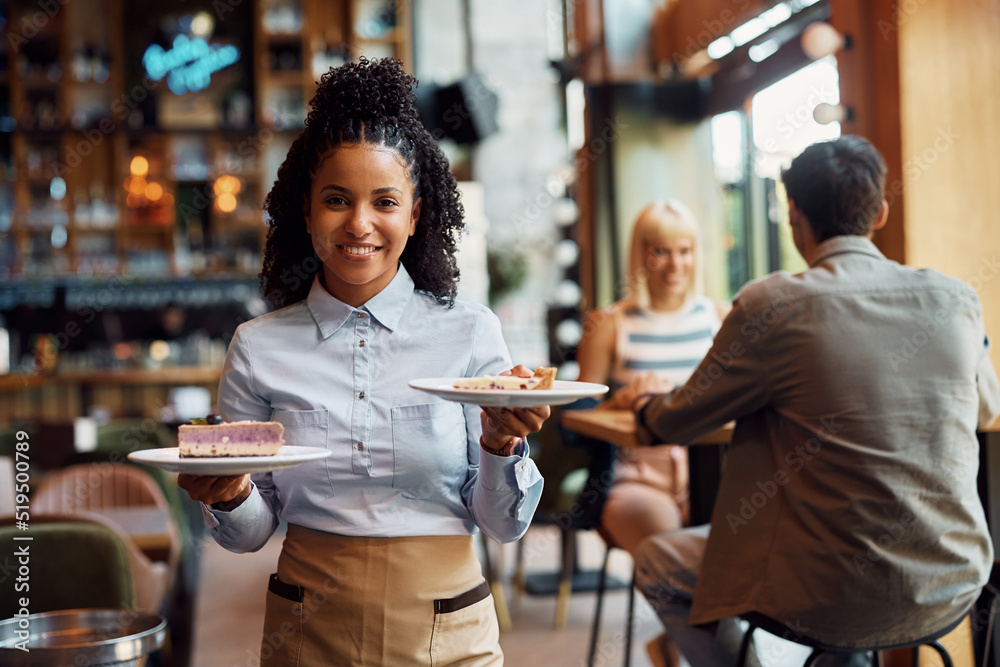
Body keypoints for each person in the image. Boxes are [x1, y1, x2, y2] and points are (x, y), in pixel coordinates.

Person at [177, 57, 548, 666]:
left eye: (385, 201)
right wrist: (227, 494)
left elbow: (503, 525)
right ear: (306, 209)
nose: (359, 224)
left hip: (447, 626)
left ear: (416, 212)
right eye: (337, 200)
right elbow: (250, 534)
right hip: (307, 630)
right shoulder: (257, 346)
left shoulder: (470, 332)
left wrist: (500, 447)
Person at [617, 135, 1000, 667]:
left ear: (793, 215)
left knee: (659, 560)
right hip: (951, 583)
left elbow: (673, 423)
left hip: (819, 596)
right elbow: (985, 410)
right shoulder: (956, 299)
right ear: (881, 212)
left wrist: (645, 404)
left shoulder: (771, 305)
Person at [575, 201, 730, 667]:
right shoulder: (611, 324)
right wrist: (619, 400)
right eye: (662, 251)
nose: (675, 264)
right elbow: (577, 408)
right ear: (641, 255)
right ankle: (690, 647)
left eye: (685, 251)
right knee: (669, 550)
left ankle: (679, 646)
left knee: (741, 540)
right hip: (635, 478)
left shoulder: (718, 319)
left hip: (710, 470)